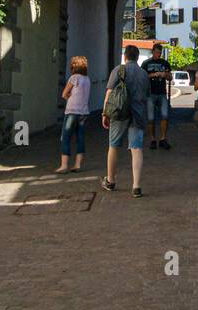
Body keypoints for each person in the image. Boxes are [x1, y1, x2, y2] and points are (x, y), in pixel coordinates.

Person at [101, 43, 151, 197]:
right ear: (137, 57)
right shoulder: (144, 74)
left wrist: (105, 113)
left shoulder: (118, 70)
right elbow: (146, 96)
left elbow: (109, 93)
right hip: (138, 114)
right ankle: (136, 186)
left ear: (125, 56)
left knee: (114, 146)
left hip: (119, 113)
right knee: (136, 149)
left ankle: (110, 181)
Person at [56, 56, 91, 173]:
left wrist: (68, 97)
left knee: (65, 137)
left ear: (74, 66)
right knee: (80, 138)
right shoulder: (87, 79)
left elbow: (64, 94)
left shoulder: (74, 78)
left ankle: (64, 165)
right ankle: (77, 165)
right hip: (83, 112)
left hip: (72, 112)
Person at [142, 42, 172, 150]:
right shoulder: (146, 63)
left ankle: (163, 138)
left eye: (160, 53)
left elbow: (170, 78)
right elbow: (143, 78)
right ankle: (152, 139)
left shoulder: (165, 63)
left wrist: (166, 75)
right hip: (150, 93)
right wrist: (154, 74)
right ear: (152, 52)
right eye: (156, 52)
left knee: (165, 116)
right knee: (151, 118)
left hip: (162, 93)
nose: (158, 54)